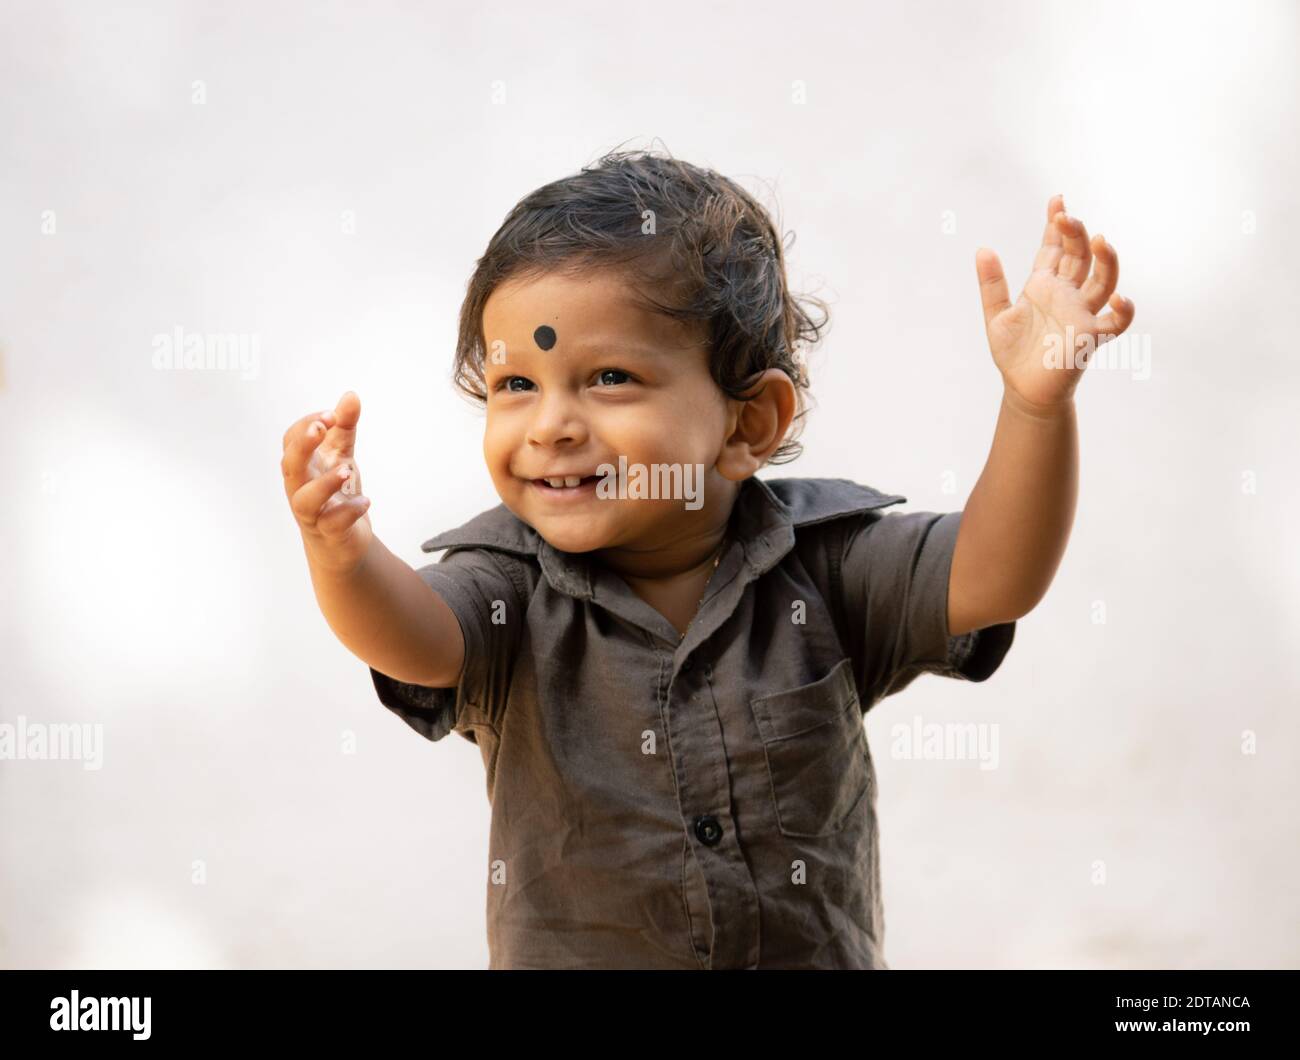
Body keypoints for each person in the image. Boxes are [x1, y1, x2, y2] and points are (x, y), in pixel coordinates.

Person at [279, 149, 1135, 968]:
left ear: (747, 423)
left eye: (608, 378)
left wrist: (1034, 407)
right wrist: (343, 552)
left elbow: (996, 574)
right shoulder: (507, 589)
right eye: (515, 386)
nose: (550, 426)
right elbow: (412, 637)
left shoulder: (826, 569)